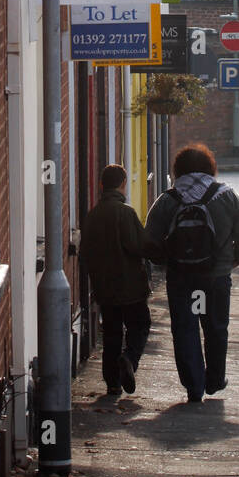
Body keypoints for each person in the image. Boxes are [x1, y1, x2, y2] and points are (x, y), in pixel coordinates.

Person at [145, 143, 239, 404]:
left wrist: (165, 261)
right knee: (216, 327)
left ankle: (194, 385)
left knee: (185, 329)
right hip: (215, 277)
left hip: (181, 277)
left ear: (178, 170)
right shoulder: (226, 196)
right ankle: (215, 379)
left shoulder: (168, 200)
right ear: (210, 168)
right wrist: (234, 260)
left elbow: (149, 240)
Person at [80, 164, 151, 398]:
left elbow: (85, 254)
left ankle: (112, 383)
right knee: (139, 326)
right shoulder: (126, 213)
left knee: (111, 333)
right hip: (131, 287)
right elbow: (139, 246)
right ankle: (129, 359)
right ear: (122, 184)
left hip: (105, 289)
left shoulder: (92, 216)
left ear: (102, 185)